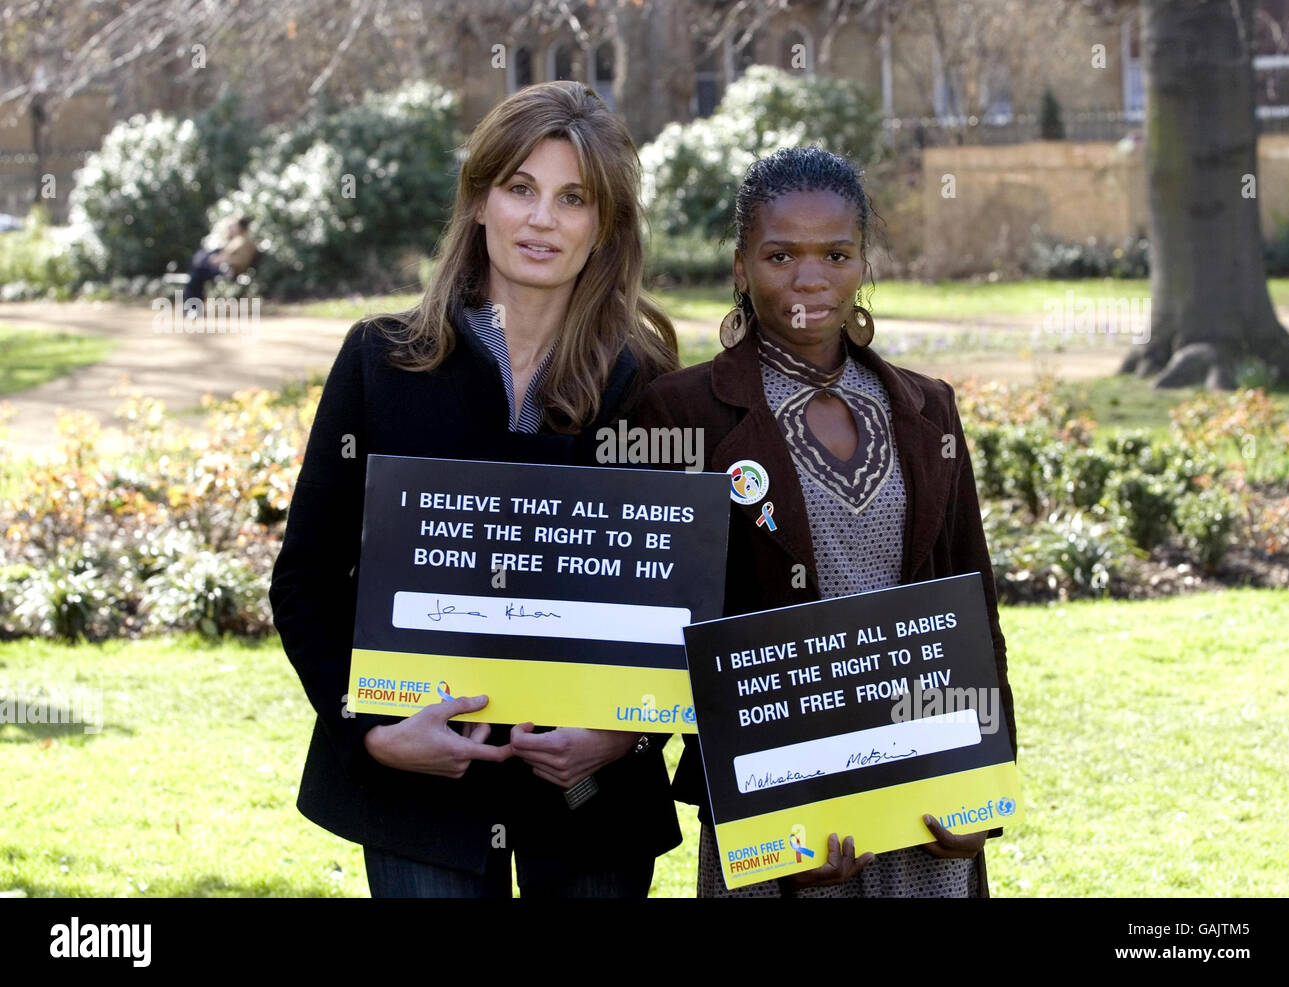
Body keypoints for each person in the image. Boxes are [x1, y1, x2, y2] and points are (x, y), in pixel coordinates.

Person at [268, 81, 681, 898]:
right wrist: (375, 733)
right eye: (520, 189)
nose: (541, 219)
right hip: (419, 795)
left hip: (590, 801)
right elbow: (306, 579)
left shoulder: (653, 385)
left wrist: (623, 733)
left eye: (573, 199)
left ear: (605, 226)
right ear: (480, 200)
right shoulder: (380, 361)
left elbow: (684, 597)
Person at [631, 146, 1017, 898]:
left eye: (836, 254)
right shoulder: (684, 415)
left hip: (925, 805)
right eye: (781, 255)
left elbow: (975, 606)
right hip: (780, 811)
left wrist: (985, 786)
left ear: (863, 261)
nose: (810, 279)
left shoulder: (927, 407)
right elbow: (670, 641)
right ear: (742, 266)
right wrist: (772, 817)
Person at [183, 216, 256, 302]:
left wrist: (224, 260)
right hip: (225, 268)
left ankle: (193, 303)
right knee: (198, 269)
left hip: (230, 271)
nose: (231, 229)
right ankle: (194, 303)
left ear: (240, 227)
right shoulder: (238, 239)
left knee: (197, 272)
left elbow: (241, 261)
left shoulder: (244, 241)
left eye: (234, 226)